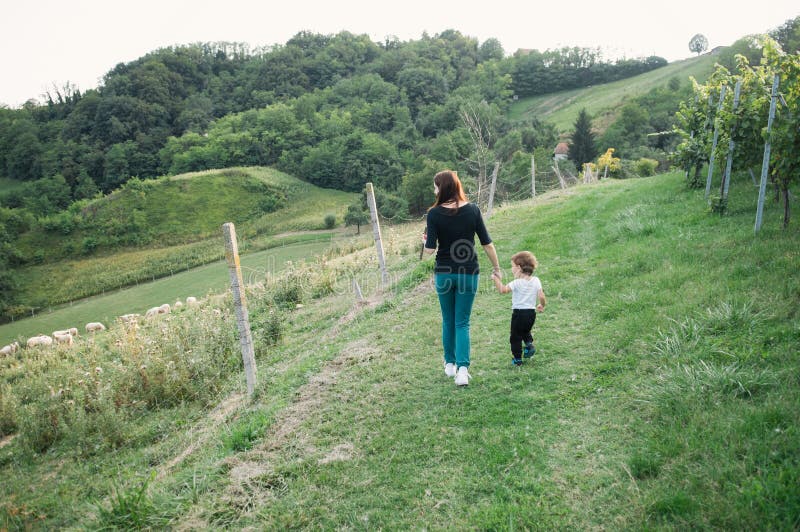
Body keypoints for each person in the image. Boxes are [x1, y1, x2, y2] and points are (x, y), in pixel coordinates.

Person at [423, 170, 502, 386]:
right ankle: (462, 371)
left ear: (442, 188)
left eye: (436, 186)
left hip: (444, 273)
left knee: (448, 319)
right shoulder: (473, 210)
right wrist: (496, 268)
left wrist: (424, 241)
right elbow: (487, 244)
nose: (434, 190)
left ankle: (450, 364)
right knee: (462, 322)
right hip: (468, 273)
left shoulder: (433, 214)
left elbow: (429, 250)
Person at [491, 251, 546, 366]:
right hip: (531, 314)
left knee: (515, 336)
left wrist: (495, 279)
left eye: (512, 267)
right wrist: (542, 305)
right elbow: (541, 296)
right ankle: (529, 345)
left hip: (519, 314)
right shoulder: (536, 280)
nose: (511, 269)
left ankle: (517, 359)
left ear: (519, 268)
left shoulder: (516, 283)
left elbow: (503, 290)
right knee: (525, 330)